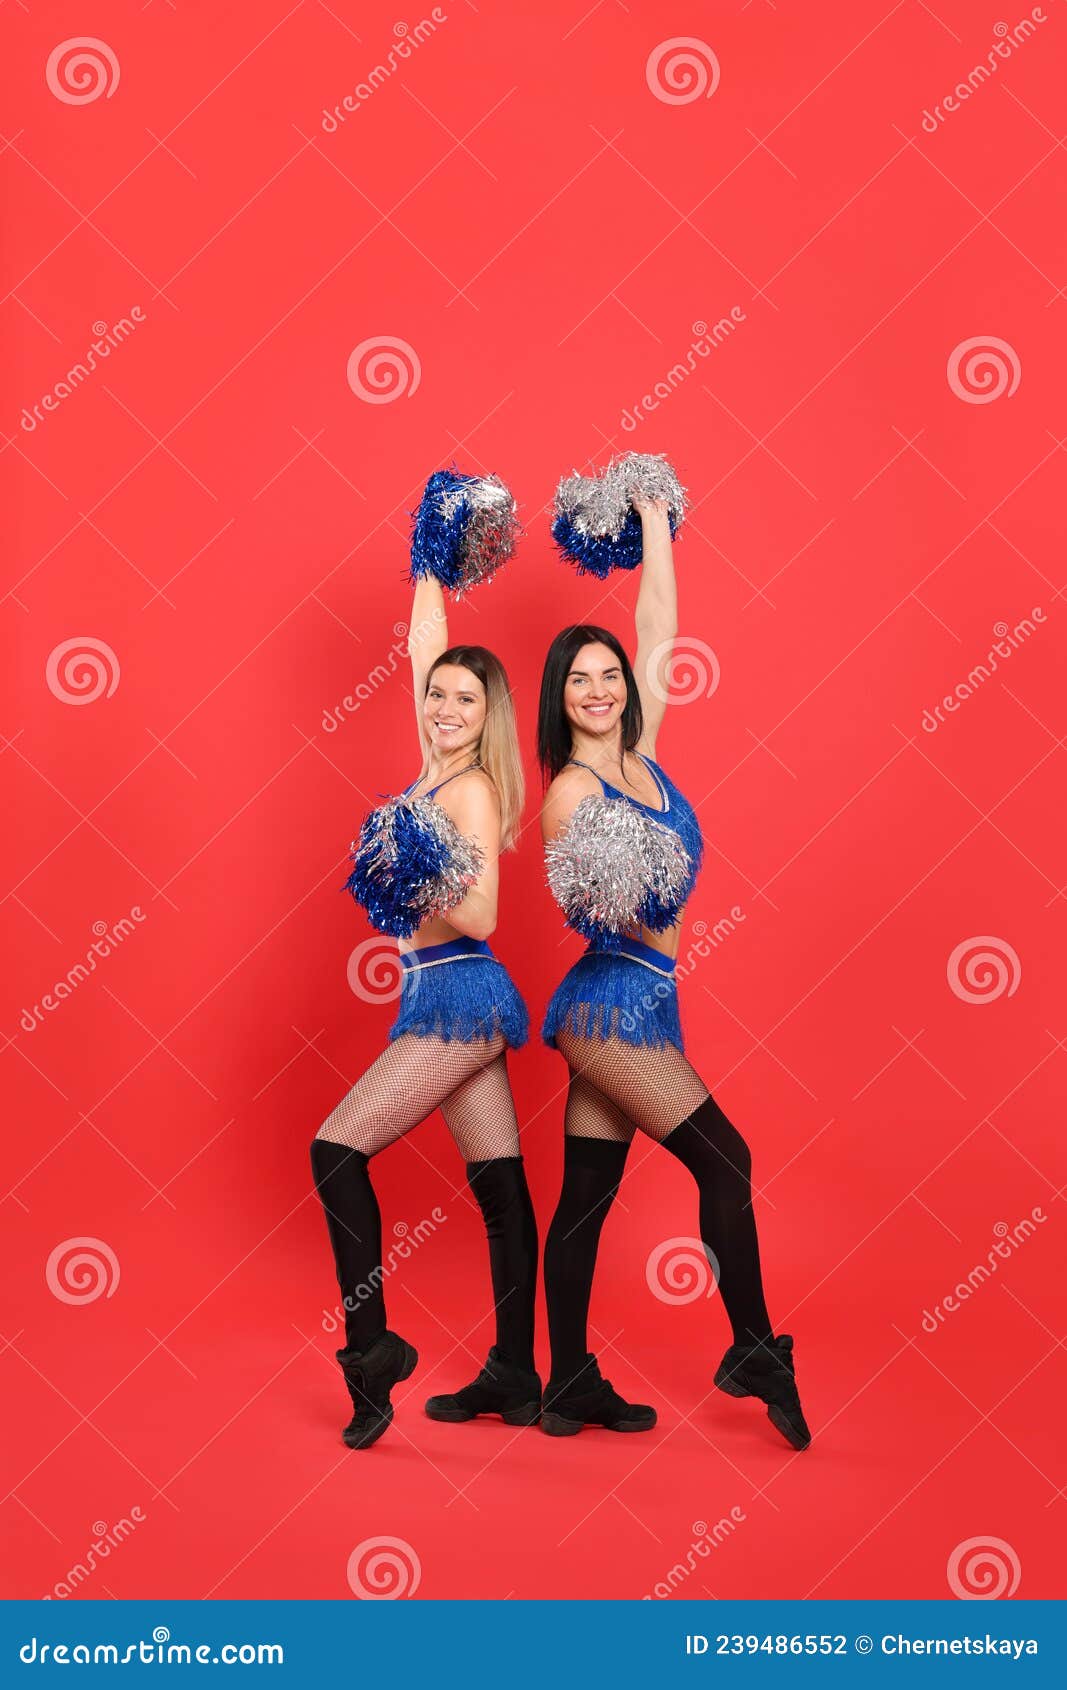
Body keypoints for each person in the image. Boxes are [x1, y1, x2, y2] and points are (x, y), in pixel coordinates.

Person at [537, 492, 811, 1450]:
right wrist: (636, 877)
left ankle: (566, 1384)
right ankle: (752, 1349)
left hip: (653, 1003)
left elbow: (657, 620)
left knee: (584, 1198)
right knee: (725, 1160)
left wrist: (653, 512)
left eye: (609, 675)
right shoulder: (570, 791)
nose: (600, 690)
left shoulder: (645, 758)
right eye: (580, 680)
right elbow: (589, 906)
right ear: (559, 698)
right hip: (607, 1004)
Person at [310, 572, 540, 1449]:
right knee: (500, 1187)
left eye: (463, 699)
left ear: (488, 717)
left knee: (335, 1151)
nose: (443, 707)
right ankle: (515, 1374)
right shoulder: (430, 768)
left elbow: (481, 916)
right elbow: (423, 647)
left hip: (458, 992)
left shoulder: (469, 789)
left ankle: (371, 1355)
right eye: (437, 695)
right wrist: (430, 563)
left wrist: (414, 868)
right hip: (436, 990)